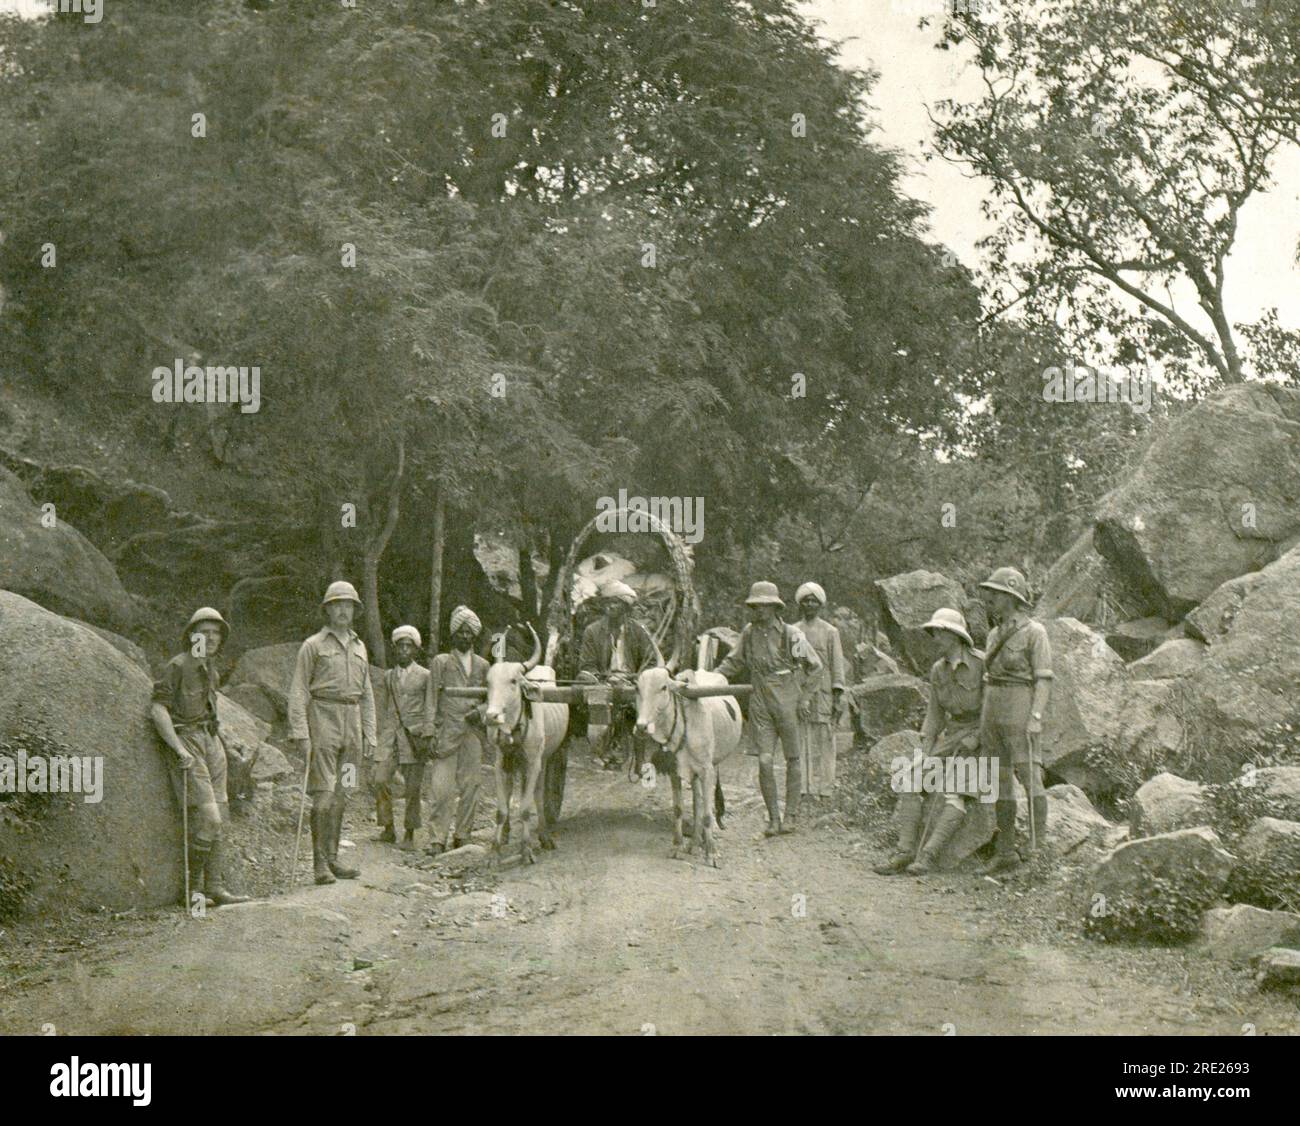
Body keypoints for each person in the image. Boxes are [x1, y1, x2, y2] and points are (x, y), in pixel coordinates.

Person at [150, 607, 252, 908]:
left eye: (216, 632)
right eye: (204, 632)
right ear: (192, 635)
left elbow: (211, 711)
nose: (211, 638)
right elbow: (158, 709)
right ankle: (192, 890)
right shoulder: (178, 666)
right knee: (209, 818)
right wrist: (178, 748)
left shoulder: (211, 669)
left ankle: (215, 887)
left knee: (221, 817)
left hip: (211, 742)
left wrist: (224, 744)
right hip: (188, 742)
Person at [874, 608, 983, 875]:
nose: (935, 638)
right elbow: (935, 714)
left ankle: (928, 856)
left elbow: (994, 710)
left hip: (982, 738)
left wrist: (977, 737)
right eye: (934, 632)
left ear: (955, 636)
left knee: (955, 793)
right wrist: (925, 752)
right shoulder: (938, 670)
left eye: (940, 632)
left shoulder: (982, 664)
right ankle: (904, 851)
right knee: (911, 780)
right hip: (951, 736)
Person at [714, 582, 822, 836]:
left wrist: (805, 698)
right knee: (764, 761)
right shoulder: (749, 633)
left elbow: (814, 667)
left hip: (788, 695)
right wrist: (711, 677)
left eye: (764, 606)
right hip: (760, 697)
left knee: (793, 758)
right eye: (755, 606)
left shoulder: (790, 634)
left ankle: (791, 816)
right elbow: (733, 662)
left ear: (775, 607)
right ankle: (773, 818)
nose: (759, 610)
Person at [287, 581, 377, 885]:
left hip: (352, 726)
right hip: (324, 721)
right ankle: (319, 864)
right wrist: (301, 733)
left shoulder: (360, 646)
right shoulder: (313, 645)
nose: (342, 610)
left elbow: (367, 694)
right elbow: (299, 690)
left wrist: (370, 735)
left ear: (355, 610)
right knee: (323, 794)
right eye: (337, 604)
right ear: (327, 609)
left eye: (348, 605)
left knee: (343, 793)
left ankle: (334, 857)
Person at [977, 567, 1054, 874]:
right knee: (1000, 781)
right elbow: (987, 676)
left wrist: (1035, 716)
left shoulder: (1035, 632)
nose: (990, 599)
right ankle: (1006, 851)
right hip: (993, 708)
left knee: (1030, 777)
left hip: (1020, 706)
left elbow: (1044, 679)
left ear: (1011, 597)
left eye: (995, 594)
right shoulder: (993, 634)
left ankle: (1037, 855)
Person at [423, 605, 490, 857]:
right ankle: (437, 839)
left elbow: (492, 698)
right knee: (441, 789)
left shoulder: (483, 665)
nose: (465, 636)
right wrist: (429, 730)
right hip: (446, 731)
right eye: (460, 632)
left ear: (474, 635)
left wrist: (481, 712)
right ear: (453, 634)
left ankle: (463, 835)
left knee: (471, 785)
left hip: (472, 732)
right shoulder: (441, 662)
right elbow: (431, 697)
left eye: (469, 632)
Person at [576, 580, 662, 769]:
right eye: (608, 603)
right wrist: (600, 678)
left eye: (616, 603)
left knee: (644, 711)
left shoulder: (639, 631)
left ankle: (640, 759)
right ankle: (600, 750)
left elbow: (651, 661)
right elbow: (587, 664)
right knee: (597, 703)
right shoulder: (593, 631)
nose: (611, 607)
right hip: (603, 681)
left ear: (626, 608)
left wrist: (637, 677)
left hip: (633, 682)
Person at [369, 625, 431, 851]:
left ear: (416, 650)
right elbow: (385, 709)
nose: (404, 650)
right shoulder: (388, 677)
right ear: (394, 649)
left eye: (409, 646)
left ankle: (409, 833)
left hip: (414, 738)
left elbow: (430, 707)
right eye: (400, 646)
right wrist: (379, 740)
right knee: (379, 779)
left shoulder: (425, 676)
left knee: (413, 788)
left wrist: (426, 733)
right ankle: (387, 828)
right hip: (390, 738)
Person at [792, 582, 847, 798]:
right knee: (802, 738)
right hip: (802, 692)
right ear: (801, 604)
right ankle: (805, 787)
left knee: (826, 739)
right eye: (806, 601)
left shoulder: (830, 632)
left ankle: (826, 788)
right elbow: (794, 663)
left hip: (824, 692)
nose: (810, 604)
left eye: (814, 601)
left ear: (820, 604)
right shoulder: (795, 631)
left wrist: (838, 695)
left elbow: (837, 664)